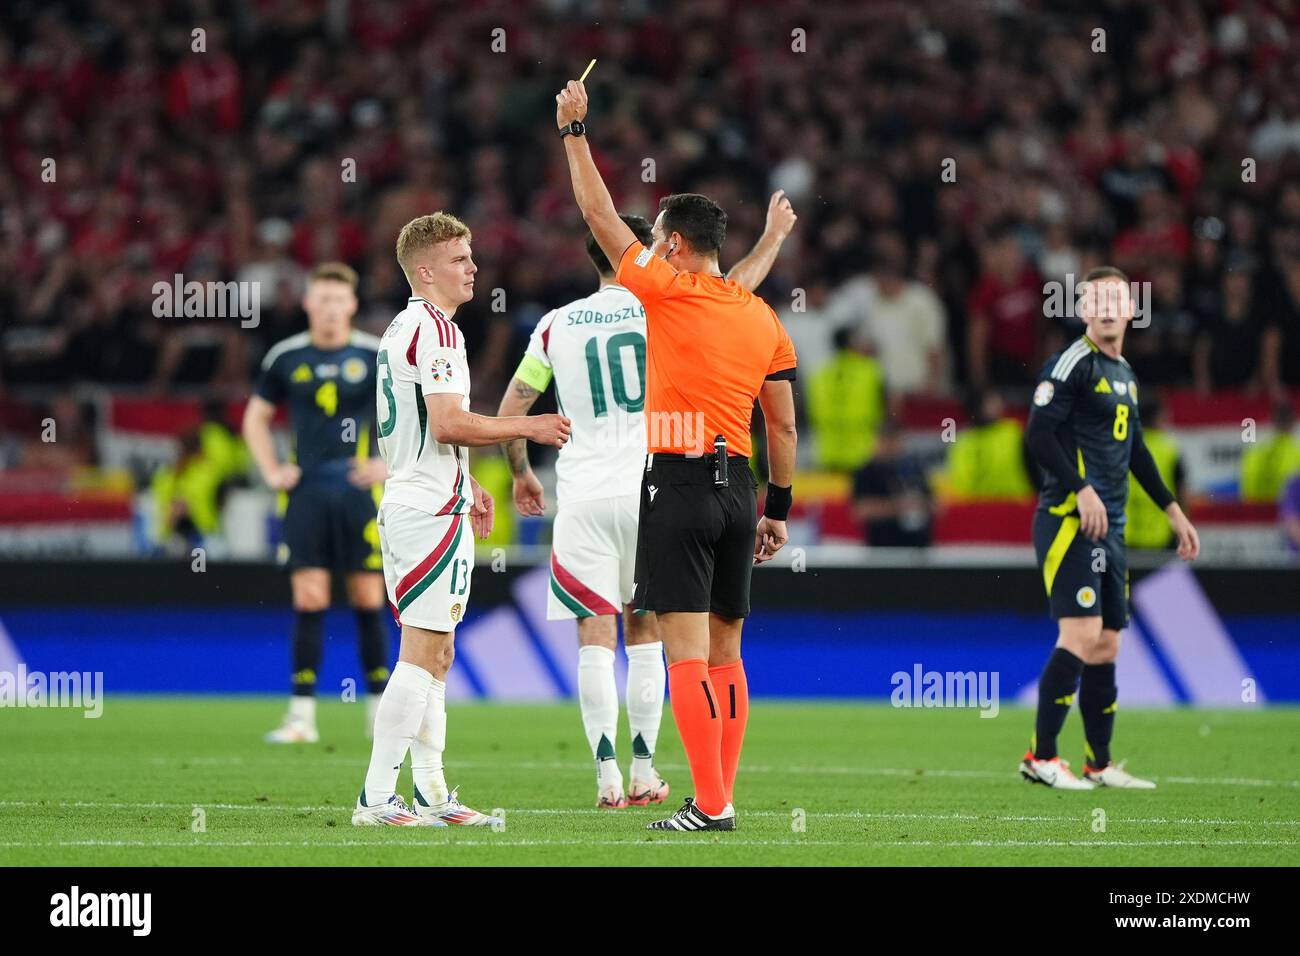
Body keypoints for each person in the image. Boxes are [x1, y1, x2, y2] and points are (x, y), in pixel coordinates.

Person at [556, 77, 798, 831]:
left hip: (680, 483)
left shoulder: (662, 292)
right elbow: (783, 428)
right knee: (727, 654)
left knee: (684, 652)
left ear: (674, 246)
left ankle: (712, 805)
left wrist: (573, 132)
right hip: (741, 493)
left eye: (659, 236)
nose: (652, 245)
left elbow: (598, 214)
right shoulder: (760, 318)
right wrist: (779, 509)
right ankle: (719, 796)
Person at [496, 201, 795, 810]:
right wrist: (771, 237)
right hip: (660, 484)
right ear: (648, 253)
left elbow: (512, 411)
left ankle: (606, 775)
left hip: (582, 492)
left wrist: (522, 473)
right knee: (653, 634)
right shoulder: (667, 303)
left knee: (592, 635)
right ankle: (646, 770)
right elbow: (733, 290)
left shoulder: (557, 324)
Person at [351, 213, 570, 827]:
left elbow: (415, 429)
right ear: (425, 270)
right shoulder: (437, 331)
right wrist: (526, 424)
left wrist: (464, 477)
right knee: (422, 651)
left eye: (472, 257)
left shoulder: (402, 328)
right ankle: (375, 796)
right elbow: (448, 423)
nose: (473, 268)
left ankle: (432, 793)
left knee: (438, 653)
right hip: (425, 510)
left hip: (420, 496)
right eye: (459, 259)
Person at [1020, 266, 1200, 790]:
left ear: (1130, 310)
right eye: (1094, 298)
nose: (1104, 306)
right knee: (1078, 633)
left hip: (1111, 529)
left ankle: (1099, 764)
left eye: (1115, 298)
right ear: (1080, 310)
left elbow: (1136, 450)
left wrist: (1172, 509)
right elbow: (1038, 436)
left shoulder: (1125, 373)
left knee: (1107, 643)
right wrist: (1081, 488)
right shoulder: (1072, 363)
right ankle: (1042, 758)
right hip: (1068, 520)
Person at [242, 263, 391, 744]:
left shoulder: (374, 355)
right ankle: (301, 718)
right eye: (321, 299)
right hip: (305, 492)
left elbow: (412, 415)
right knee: (309, 599)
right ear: (308, 303)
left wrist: (387, 465)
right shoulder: (286, 356)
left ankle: (378, 715)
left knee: (369, 600)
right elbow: (255, 419)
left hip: (358, 492)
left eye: (338, 300)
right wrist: (271, 471)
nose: (329, 308)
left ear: (352, 305)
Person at [851, 421, 934, 547]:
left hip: (918, 546)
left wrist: (921, 506)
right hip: (883, 548)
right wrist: (899, 507)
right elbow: (861, 510)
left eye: (893, 439)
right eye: (885, 440)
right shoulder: (866, 472)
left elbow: (935, 505)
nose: (889, 445)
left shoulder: (913, 468)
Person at [1124, 396, 1185, 550]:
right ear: (1158, 417)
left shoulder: (1121, 445)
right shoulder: (1170, 450)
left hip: (1126, 535)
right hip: (1161, 536)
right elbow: (1182, 493)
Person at [1240, 402, 1300, 504]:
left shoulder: (1255, 451)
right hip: (1287, 513)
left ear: (1272, 421)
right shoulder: (1296, 451)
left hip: (1256, 510)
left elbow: (1247, 486)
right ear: (1293, 422)